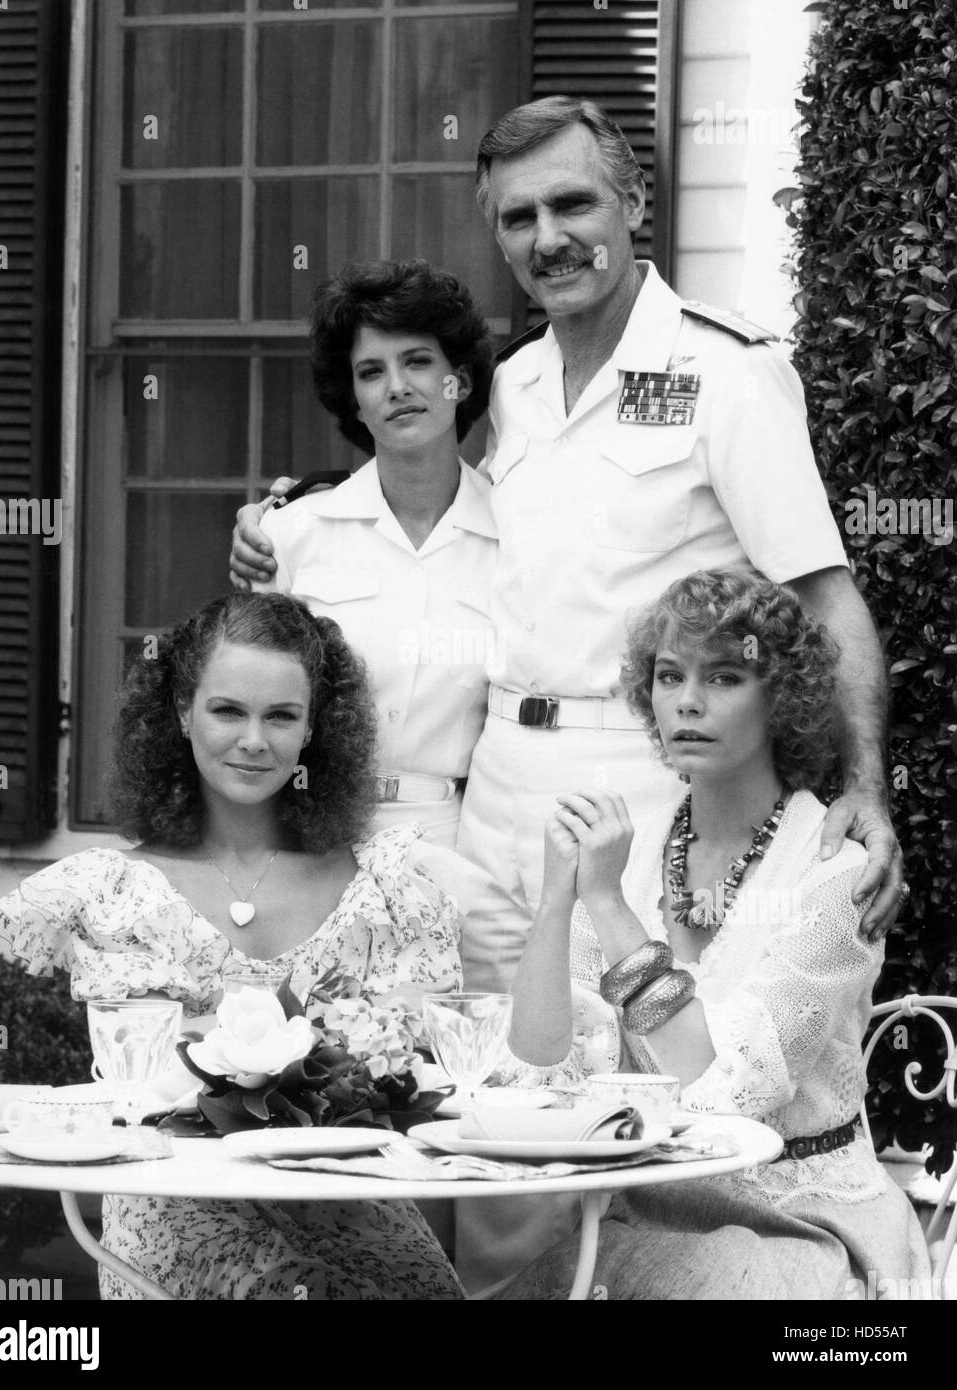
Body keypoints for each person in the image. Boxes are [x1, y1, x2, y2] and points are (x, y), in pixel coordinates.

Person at [229, 96, 904, 1000]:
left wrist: (865, 789)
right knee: (483, 1068)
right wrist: (288, 514)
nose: (548, 238)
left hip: (647, 785)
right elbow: (423, 499)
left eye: (572, 205)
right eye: (519, 218)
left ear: (630, 207)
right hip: (497, 792)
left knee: (640, 1064)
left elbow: (824, 595)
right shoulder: (514, 381)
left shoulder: (728, 374)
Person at [0, 591, 464, 1300]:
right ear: (182, 712)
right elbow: (150, 1088)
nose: (254, 740)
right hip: (175, 1205)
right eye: (228, 710)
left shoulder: (387, 885)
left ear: (313, 730)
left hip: (348, 1202)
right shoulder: (115, 891)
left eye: (281, 716)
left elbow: (407, 1068)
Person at [504, 568, 930, 1299]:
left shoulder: (833, 876)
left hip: (799, 1225)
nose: (688, 702)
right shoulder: (630, 854)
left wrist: (606, 907)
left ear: (783, 700)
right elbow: (543, 1070)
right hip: (642, 1217)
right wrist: (555, 904)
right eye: (668, 677)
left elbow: (720, 1086)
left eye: (724, 676)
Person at [251, 260, 497, 850]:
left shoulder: (513, 536)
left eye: (417, 361)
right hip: (308, 831)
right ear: (354, 401)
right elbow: (254, 698)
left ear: (458, 382)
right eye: (371, 371)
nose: (396, 387)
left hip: (457, 838)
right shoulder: (294, 533)